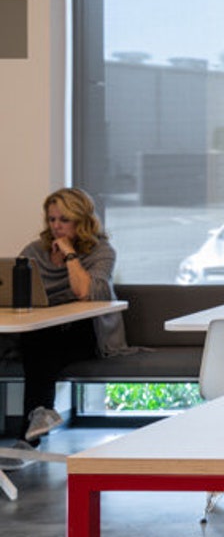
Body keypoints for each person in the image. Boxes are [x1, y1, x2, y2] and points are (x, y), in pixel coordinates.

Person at [16, 187, 128, 444]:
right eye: (52, 219)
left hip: (86, 333)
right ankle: (39, 415)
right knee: (40, 338)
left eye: (64, 220)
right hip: (42, 331)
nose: (56, 226)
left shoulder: (102, 250)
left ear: (81, 221)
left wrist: (69, 253)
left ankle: (28, 437)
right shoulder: (35, 251)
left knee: (43, 341)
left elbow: (85, 292)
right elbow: (20, 291)